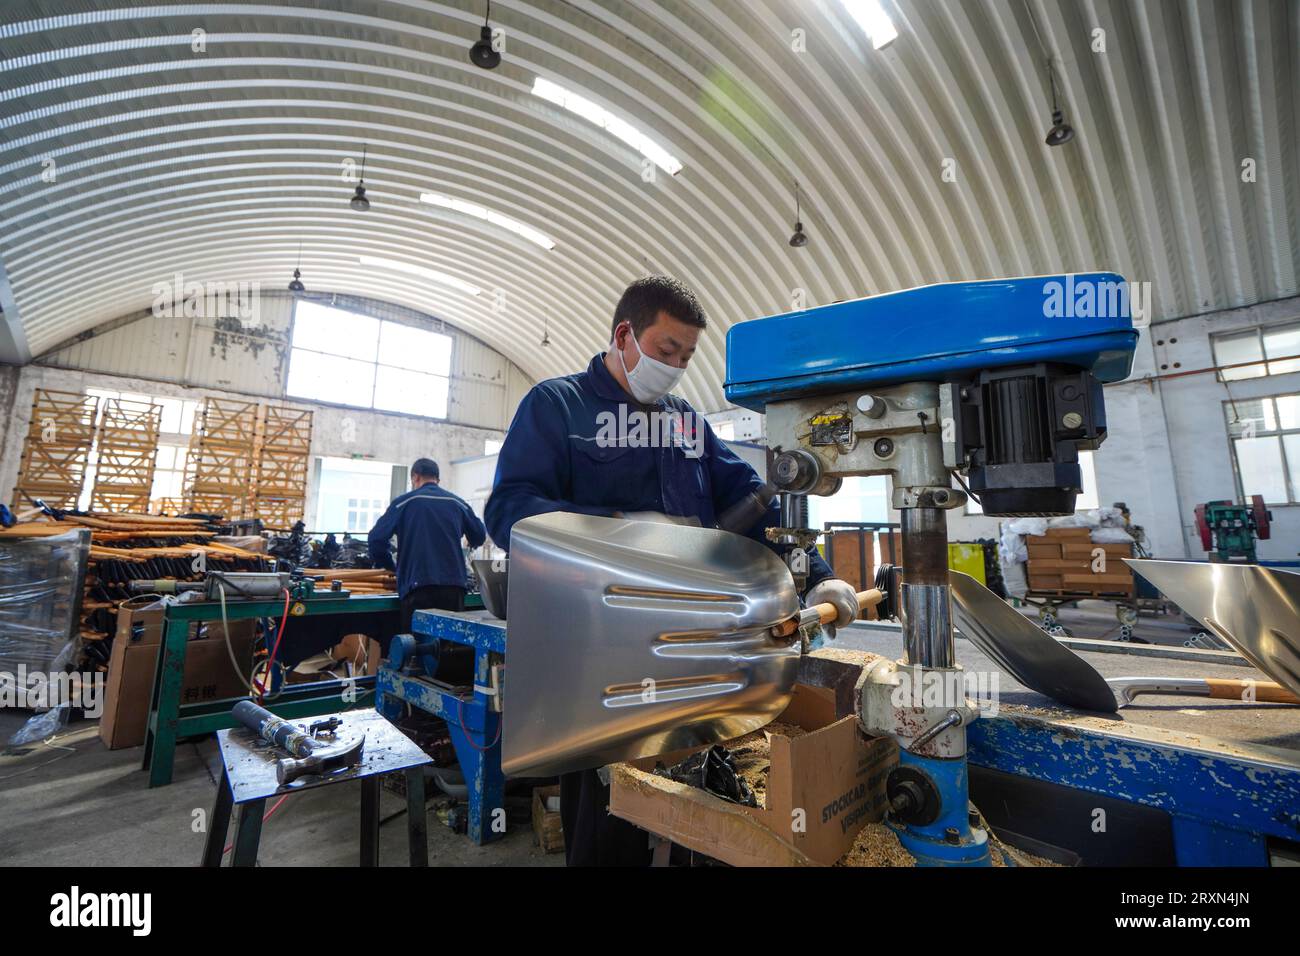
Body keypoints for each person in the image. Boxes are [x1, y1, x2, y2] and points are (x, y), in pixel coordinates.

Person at [485, 275, 859, 866]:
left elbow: (752, 494)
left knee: (695, 800)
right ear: (625, 335)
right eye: (666, 351)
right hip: (598, 657)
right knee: (610, 815)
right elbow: (509, 512)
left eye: (686, 356)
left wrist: (817, 576)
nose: (676, 367)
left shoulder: (684, 420)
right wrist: (622, 528)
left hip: (693, 642)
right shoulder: (557, 407)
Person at [368, 458, 487, 643]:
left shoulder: (403, 503)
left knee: (416, 651)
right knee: (451, 650)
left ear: (415, 477)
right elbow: (479, 535)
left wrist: (391, 566)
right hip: (454, 587)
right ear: (437, 479)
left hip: (417, 588)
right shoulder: (457, 503)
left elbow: (376, 539)